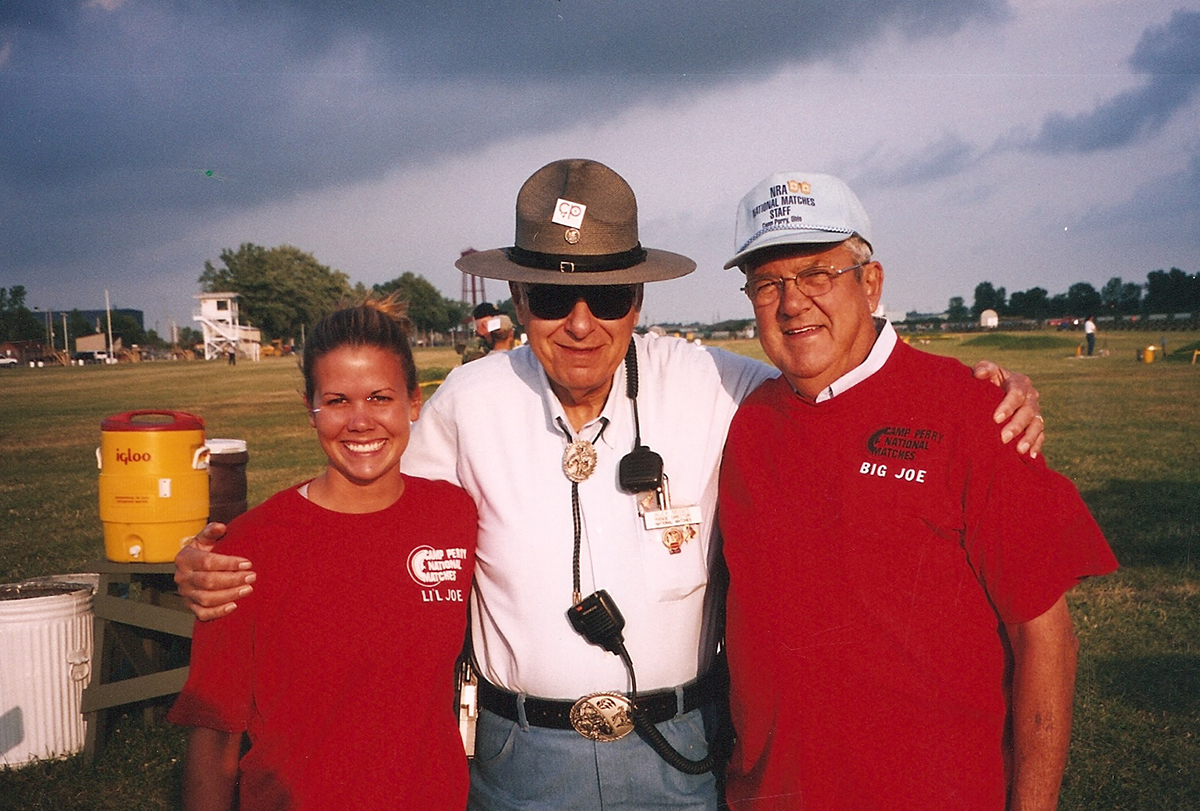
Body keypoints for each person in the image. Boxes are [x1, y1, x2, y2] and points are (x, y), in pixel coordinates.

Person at [174, 160, 1045, 811]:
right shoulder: (468, 403)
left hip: (679, 755)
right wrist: (226, 560)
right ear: (517, 299)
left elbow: (838, 379)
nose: (581, 322)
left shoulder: (718, 382)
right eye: (552, 299)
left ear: (640, 296)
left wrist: (988, 392)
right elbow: (365, 502)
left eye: (609, 291)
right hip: (520, 760)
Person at [717, 171, 1119, 811]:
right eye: (768, 283)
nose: (793, 303)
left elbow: (1048, 640)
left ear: (870, 282)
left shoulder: (972, 411)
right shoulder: (742, 418)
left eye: (818, 273)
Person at [167, 296, 477, 811]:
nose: (360, 422)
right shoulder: (247, 548)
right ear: (310, 410)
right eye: (336, 401)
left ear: (414, 403)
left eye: (380, 398)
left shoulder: (454, 515)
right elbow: (213, 732)